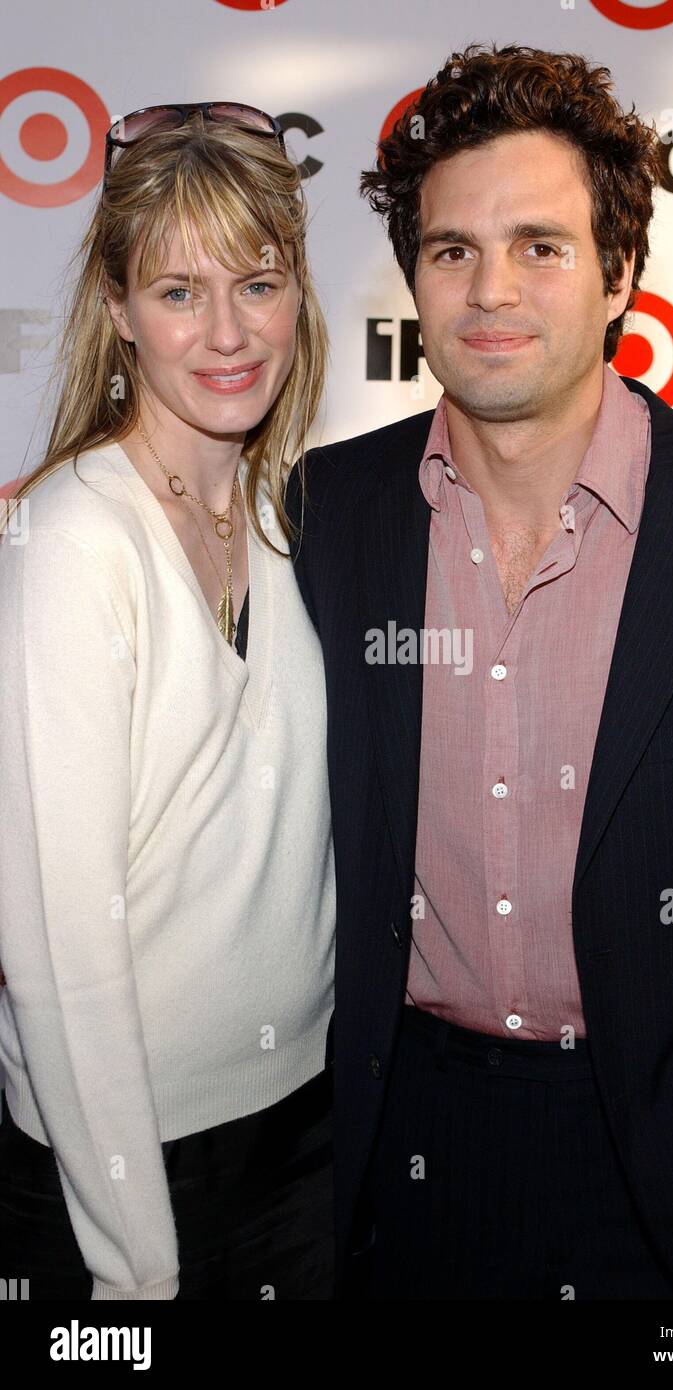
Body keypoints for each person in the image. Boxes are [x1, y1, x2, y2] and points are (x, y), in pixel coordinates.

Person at [283, 44, 673, 1300]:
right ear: (413, 279)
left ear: (621, 273)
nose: (491, 291)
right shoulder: (325, 516)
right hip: (400, 1159)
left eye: (540, 246)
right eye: (451, 250)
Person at [0, 102, 336, 1299]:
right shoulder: (74, 538)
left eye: (258, 281)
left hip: (302, 1131)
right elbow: (54, 941)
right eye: (178, 292)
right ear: (117, 308)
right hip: (121, 1165)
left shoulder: (280, 513)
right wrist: (135, 1260)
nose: (230, 332)